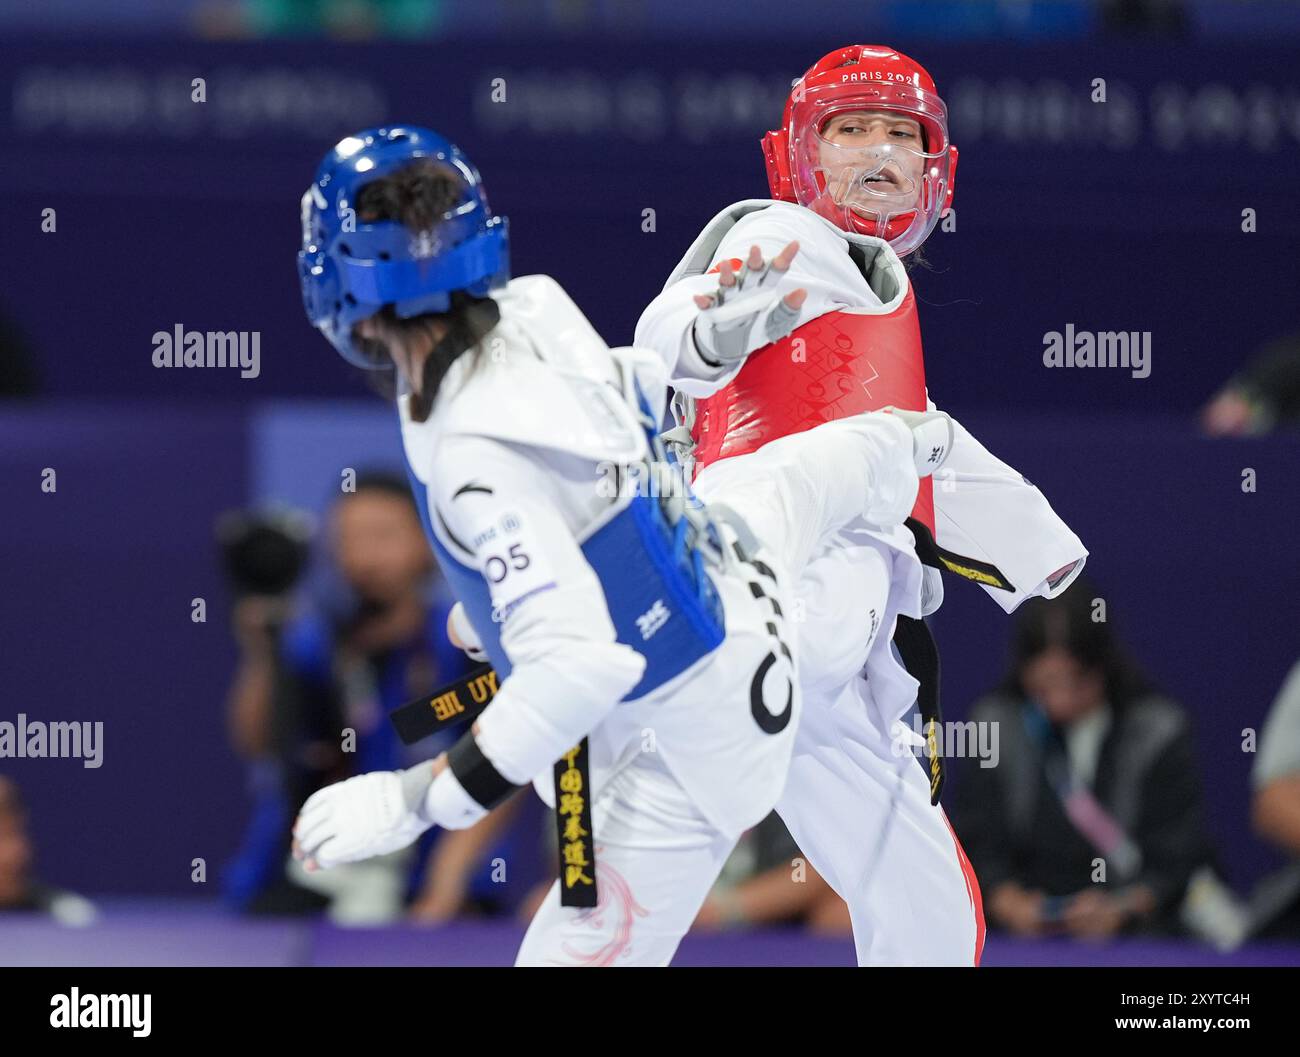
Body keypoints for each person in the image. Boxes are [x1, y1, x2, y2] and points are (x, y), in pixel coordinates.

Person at [290, 125, 953, 965]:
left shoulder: (471, 463)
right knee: (829, 468)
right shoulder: (532, 307)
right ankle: (918, 445)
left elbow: (577, 670)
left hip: (702, 722)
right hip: (736, 567)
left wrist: (414, 799)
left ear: (334, 280)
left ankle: (914, 451)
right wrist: (709, 346)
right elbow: (625, 402)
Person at [634, 44, 1088, 964]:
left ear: (936, 168)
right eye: (851, 131)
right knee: (668, 821)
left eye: (901, 135)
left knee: (932, 914)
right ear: (799, 153)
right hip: (784, 577)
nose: (880, 153)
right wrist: (709, 328)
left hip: (839, 638)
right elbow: (675, 328)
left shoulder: (871, 282)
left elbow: (919, 456)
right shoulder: (785, 235)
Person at [222, 473, 513, 923]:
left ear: (425, 543)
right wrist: (262, 654)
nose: (365, 557)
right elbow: (257, 743)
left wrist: (444, 887)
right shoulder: (313, 644)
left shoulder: (464, 644)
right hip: (310, 881)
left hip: (431, 884)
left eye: (383, 536)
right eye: (348, 539)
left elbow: (508, 763)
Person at [949, 583, 1217, 939]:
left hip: (1136, 938)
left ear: (1102, 668)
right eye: (1044, 685)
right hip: (1016, 940)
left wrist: (1124, 908)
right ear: (1022, 671)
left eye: (1075, 682)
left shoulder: (1158, 732)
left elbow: (1177, 855)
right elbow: (976, 841)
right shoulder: (992, 727)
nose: (1059, 701)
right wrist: (1009, 902)